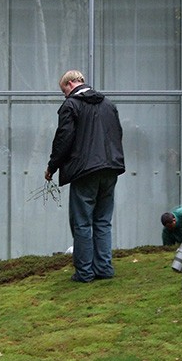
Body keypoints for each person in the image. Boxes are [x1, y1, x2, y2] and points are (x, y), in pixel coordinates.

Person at [44, 70, 125, 283]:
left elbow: (63, 139)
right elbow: (118, 134)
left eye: (64, 91)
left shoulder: (71, 106)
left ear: (70, 84)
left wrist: (52, 167)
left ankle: (85, 272)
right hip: (110, 169)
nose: (64, 96)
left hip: (85, 171)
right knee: (103, 221)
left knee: (82, 223)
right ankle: (104, 268)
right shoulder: (108, 105)